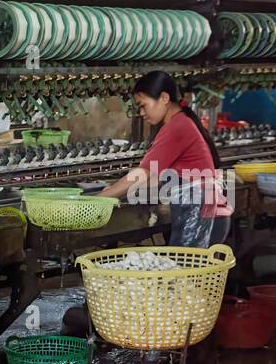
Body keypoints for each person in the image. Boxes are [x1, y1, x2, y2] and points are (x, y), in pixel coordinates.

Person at [98, 71, 230, 248]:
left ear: (164, 98)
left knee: (185, 273)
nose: (142, 113)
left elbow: (144, 173)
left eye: (143, 105)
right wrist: (116, 190)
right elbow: (156, 177)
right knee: (186, 271)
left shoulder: (177, 126)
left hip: (199, 217)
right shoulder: (181, 121)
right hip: (203, 214)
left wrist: (102, 197)